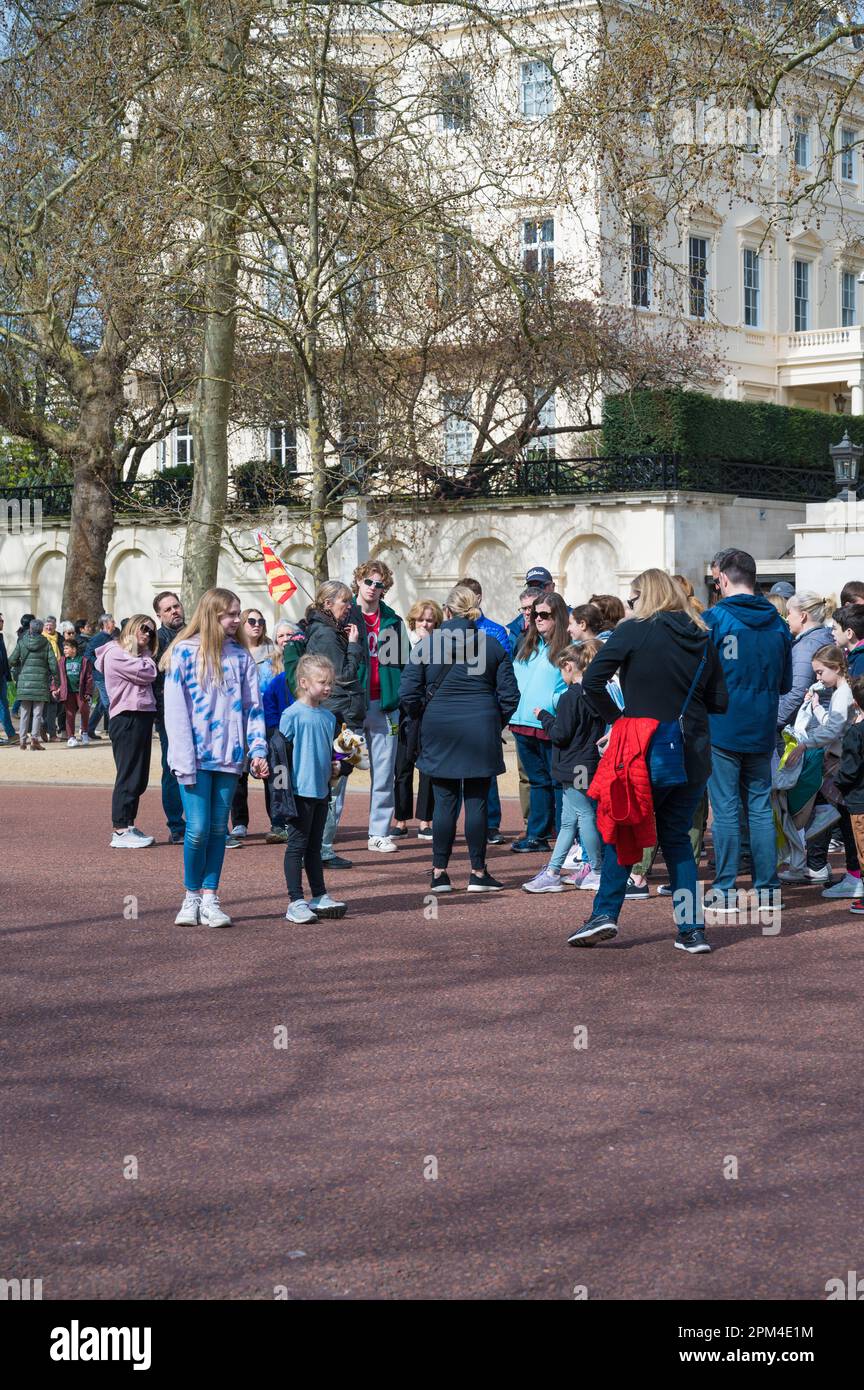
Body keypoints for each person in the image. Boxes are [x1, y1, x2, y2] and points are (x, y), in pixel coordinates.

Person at [571, 568, 728, 954]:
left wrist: (619, 718)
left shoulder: (632, 631)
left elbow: (592, 682)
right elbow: (719, 701)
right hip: (691, 748)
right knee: (677, 838)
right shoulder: (703, 636)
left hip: (643, 747)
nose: (631, 604)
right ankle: (692, 930)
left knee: (624, 831)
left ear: (646, 596)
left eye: (633, 597)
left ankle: (604, 913)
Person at [399, 584, 519, 893]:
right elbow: (510, 695)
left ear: (447, 612)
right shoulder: (492, 645)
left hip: (439, 728)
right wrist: (495, 722)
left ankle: (440, 873)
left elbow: (407, 693)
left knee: (444, 801)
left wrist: (421, 718)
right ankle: (478, 872)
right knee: (477, 801)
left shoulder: (426, 646)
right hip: (480, 727)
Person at [163, 587, 268, 928]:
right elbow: (175, 712)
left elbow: (254, 708)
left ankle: (210, 895)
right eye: (231, 614)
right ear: (212, 614)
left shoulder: (240, 657)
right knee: (195, 830)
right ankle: (191, 894)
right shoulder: (183, 653)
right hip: (193, 758)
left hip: (229, 757)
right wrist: (182, 758)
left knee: (217, 831)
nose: (238, 620)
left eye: (238, 614)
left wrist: (257, 749)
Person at [702, 549, 792, 912]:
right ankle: (767, 888)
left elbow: (698, 677)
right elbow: (785, 683)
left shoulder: (714, 619)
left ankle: (725, 889)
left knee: (724, 809)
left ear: (722, 578)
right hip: (761, 721)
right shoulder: (779, 624)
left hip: (722, 723)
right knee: (758, 806)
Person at [522, 641, 605, 893]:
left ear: (569, 666)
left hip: (575, 765)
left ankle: (597, 869)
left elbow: (560, 734)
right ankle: (554, 870)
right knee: (569, 821)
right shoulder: (593, 693)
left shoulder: (571, 697)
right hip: (583, 763)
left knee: (583, 815)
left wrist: (544, 717)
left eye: (561, 670)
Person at [782, 644, 859, 896]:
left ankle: (852, 874)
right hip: (838, 758)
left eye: (820, 672)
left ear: (836, 668)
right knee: (838, 816)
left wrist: (806, 743)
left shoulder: (842, 693)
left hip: (842, 761)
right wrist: (816, 708)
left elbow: (834, 729)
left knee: (847, 822)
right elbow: (834, 724)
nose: (817, 677)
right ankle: (841, 870)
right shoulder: (841, 692)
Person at [278, 654, 348, 924]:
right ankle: (295, 901)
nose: (328, 687)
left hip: (321, 791)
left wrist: (339, 766)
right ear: (304, 682)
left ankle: (319, 895)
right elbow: (280, 757)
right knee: (296, 846)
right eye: (323, 682)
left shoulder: (329, 717)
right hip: (298, 793)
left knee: (315, 847)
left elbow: (335, 754)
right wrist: (282, 794)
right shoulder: (291, 715)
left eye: (330, 682)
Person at [304, 580, 368, 865]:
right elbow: (342, 675)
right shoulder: (327, 635)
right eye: (345, 602)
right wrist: (353, 646)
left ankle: (319, 847)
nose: (349, 607)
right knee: (335, 786)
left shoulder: (327, 631)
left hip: (343, 715)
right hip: (340, 717)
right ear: (328, 604)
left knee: (335, 782)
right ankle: (322, 849)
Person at [353, 559, 407, 853]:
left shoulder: (392, 621)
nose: (373, 588)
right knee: (338, 770)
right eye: (368, 582)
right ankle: (326, 834)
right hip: (350, 708)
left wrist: (398, 697)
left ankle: (379, 832)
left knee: (384, 772)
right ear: (359, 582)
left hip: (384, 706)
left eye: (379, 584)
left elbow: (402, 663)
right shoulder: (345, 616)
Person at [509, 591, 570, 852]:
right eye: (535, 614)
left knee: (557, 781)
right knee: (538, 781)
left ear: (558, 617)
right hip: (521, 723)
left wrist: (553, 704)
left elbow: (571, 687)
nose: (538, 619)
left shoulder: (568, 649)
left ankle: (564, 837)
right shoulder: (527, 645)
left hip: (548, 724)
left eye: (544, 614)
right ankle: (538, 835)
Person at [95, 615, 158, 849]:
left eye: (152, 632)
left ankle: (128, 824)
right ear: (132, 627)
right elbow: (148, 673)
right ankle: (120, 829)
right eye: (144, 628)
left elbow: (148, 669)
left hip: (141, 715)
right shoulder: (114, 652)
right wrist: (144, 657)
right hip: (127, 717)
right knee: (128, 773)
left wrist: (143, 655)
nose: (148, 634)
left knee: (139, 776)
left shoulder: (138, 654)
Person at [458, 577, 511, 842]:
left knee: (486, 773)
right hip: (456, 708)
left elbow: (504, 675)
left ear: (478, 598)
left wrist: (499, 716)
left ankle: (490, 825)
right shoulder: (447, 632)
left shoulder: (495, 631)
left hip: (485, 708)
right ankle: (448, 824)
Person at [227, 608, 278, 841]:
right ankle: (239, 822)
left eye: (261, 621)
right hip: (239, 719)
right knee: (239, 773)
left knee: (271, 772)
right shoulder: (233, 651)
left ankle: (277, 821)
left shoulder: (273, 652)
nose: (257, 625)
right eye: (252, 621)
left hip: (267, 719)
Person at [393, 599, 442, 841]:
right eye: (421, 619)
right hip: (405, 713)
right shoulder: (403, 645)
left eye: (430, 619)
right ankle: (401, 820)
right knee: (402, 767)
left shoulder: (441, 647)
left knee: (427, 768)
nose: (425, 623)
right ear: (413, 621)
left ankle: (426, 820)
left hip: (430, 714)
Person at [776, 593, 835, 756]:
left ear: (802, 616)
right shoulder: (824, 637)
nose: (786, 618)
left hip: (807, 728)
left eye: (789, 613)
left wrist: (776, 721)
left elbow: (796, 691)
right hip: (819, 725)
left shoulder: (806, 646)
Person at [153, 591, 187, 844]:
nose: (174, 611)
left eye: (176, 606)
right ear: (159, 615)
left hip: (200, 711)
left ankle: (207, 822)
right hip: (169, 714)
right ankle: (176, 825)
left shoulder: (196, 632)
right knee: (172, 768)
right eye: (168, 609)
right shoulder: (156, 640)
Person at [261, 622, 298, 843]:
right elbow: (267, 702)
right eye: (281, 636)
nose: (285, 639)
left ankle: (297, 821)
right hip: (277, 734)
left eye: (289, 635)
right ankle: (278, 822)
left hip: (300, 732)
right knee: (278, 777)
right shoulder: (270, 671)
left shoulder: (307, 664)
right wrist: (275, 731)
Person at [835, 674, 864, 917]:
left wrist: (838, 783)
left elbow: (849, 769)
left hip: (860, 801)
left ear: (856, 703)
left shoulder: (856, 733)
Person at [10, 618, 58, 750]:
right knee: (38, 713)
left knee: (25, 712)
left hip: (24, 682)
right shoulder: (46, 643)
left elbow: (12, 660)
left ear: (30, 629)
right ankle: (34, 740)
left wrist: (20, 665)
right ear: (41, 629)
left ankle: (22, 741)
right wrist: (57, 681)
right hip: (41, 682)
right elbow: (53, 664)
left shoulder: (22, 642)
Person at [53, 634, 94, 745]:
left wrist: (88, 692)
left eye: (66, 648)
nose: (64, 650)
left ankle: (84, 732)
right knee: (69, 714)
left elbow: (89, 677)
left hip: (81, 692)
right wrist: (54, 688)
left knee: (84, 711)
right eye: (64, 648)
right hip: (68, 692)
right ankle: (71, 737)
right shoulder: (61, 661)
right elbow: (56, 676)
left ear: (74, 649)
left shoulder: (84, 660)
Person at [85, 614, 117, 739]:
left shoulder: (111, 637)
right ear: (105, 624)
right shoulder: (99, 638)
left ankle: (89, 729)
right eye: (112, 621)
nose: (114, 623)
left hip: (109, 675)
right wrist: (99, 665)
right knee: (109, 702)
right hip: (100, 675)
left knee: (101, 704)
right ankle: (115, 730)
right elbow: (88, 655)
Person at [41, 616, 63, 741]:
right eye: (46, 626)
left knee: (60, 705)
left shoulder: (59, 638)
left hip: (59, 673)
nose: (49, 628)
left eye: (51, 625)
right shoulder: (41, 639)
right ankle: (52, 733)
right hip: (46, 674)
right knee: (52, 703)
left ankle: (44, 726)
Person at [507, 586, 544, 654]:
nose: (527, 612)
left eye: (530, 607)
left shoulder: (550, 633)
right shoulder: (515, 630)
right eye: (524, 609)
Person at [831, 604, 864, 677]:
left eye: (835, 629)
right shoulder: (851, 655)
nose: (832, 633)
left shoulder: (861, 660)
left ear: (849, 633)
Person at [0, 611, 16, 744]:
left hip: (2, 677)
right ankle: (11, 734)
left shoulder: (0, 637)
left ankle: (11, 734)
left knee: (3, 705)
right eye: (0, 621)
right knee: (3, 706)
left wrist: (8, 676)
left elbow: (3, 660)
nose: (2, 623)